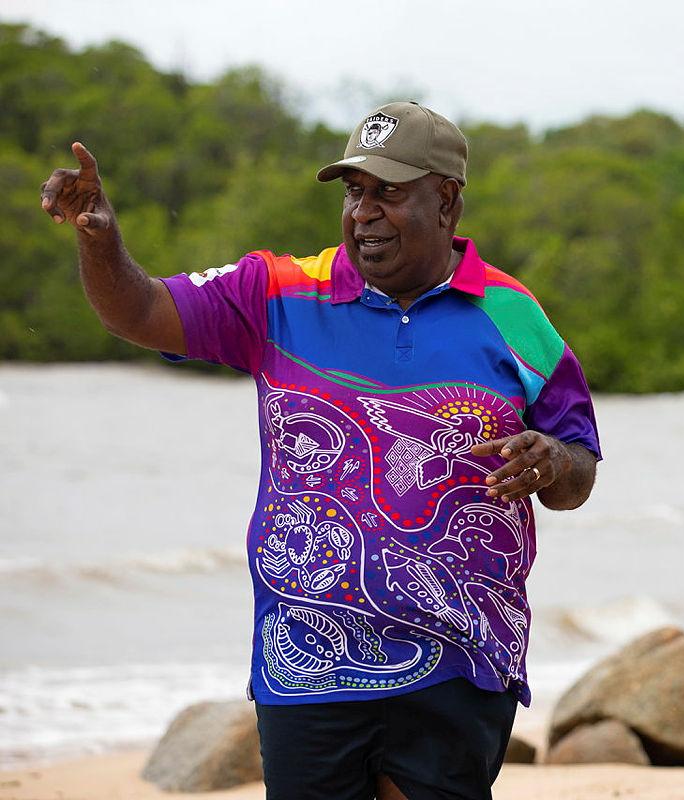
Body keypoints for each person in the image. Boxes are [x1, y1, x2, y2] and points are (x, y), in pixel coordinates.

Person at [41, 101, 601, 800]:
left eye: (389, 193)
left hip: (459, 655)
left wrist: (551, 456)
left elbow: (578, 468)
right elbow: (142, 311)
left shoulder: (514, 317)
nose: (364, 212)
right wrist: (100, 241)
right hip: (306, 657)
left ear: (447, 200)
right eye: (354, 191)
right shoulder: (276, 291)